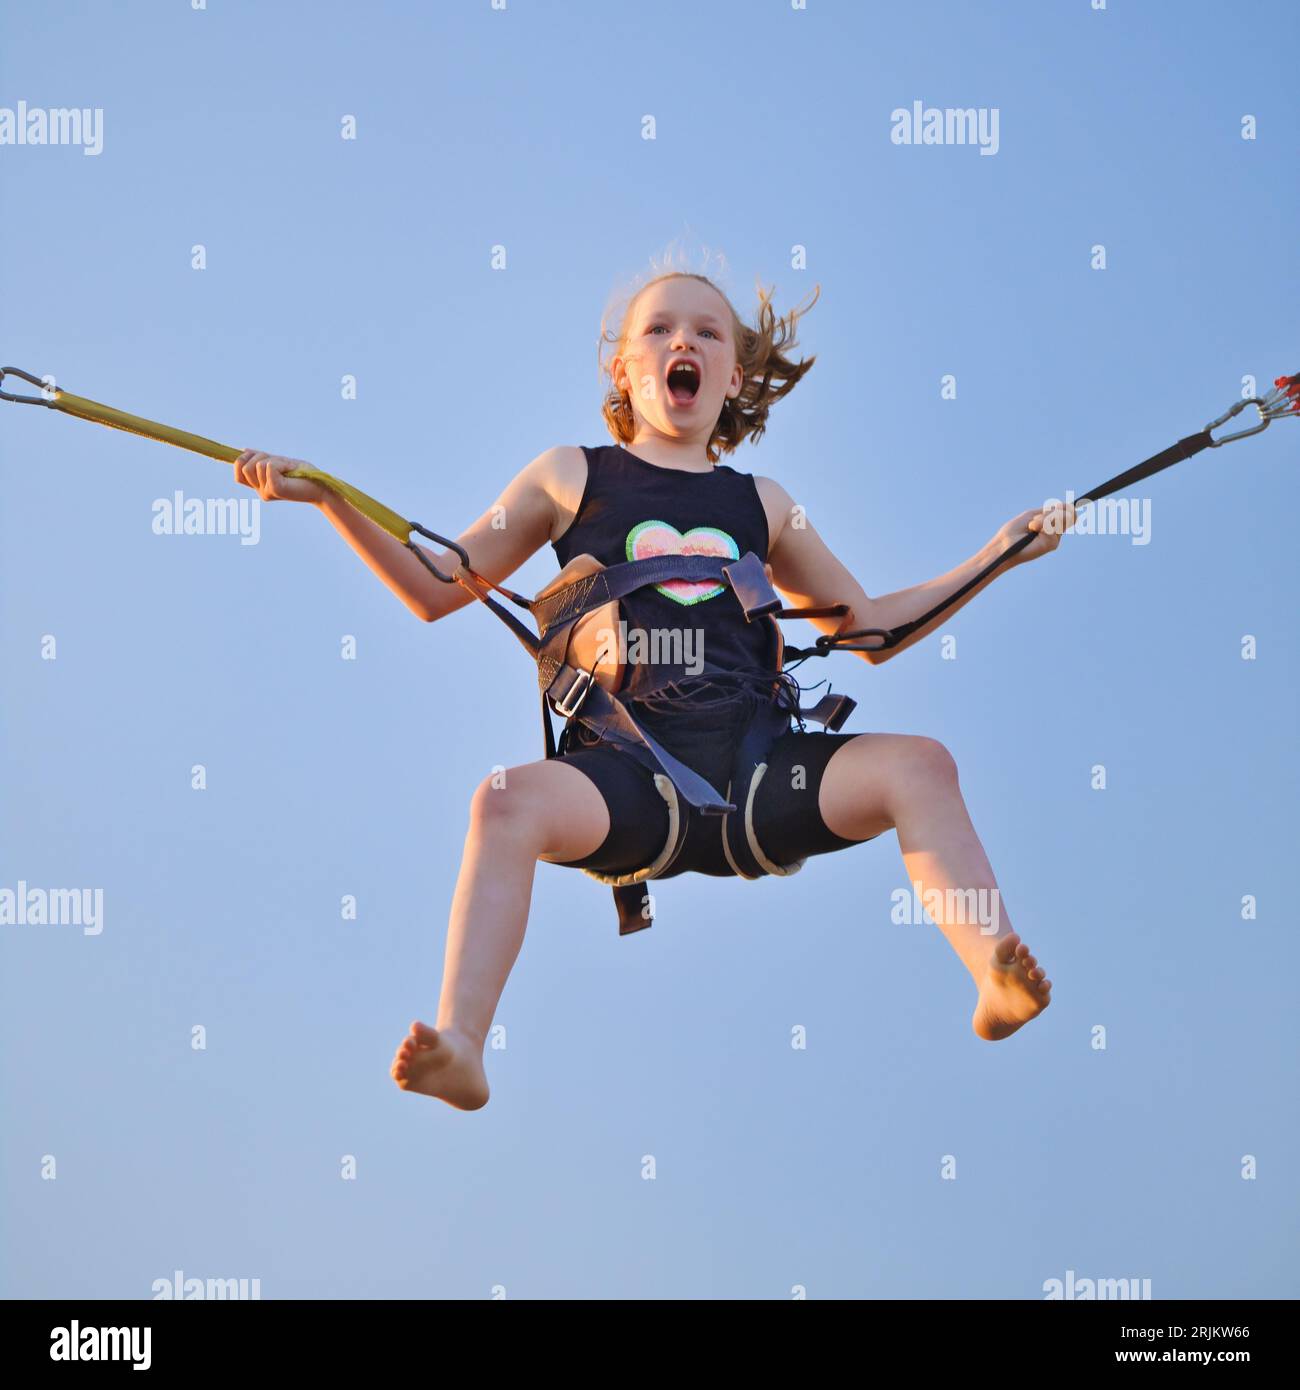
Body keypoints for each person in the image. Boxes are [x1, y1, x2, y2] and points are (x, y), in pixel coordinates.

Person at [233, 270, 1064, 1112]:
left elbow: (872, 629)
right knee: (504, 803)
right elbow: (438, 584)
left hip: (759, 773)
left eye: (708, 334)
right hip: (628, 776)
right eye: (659, 330)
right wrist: (330, 498)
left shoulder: (765, 503)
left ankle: (993, 972)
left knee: (921, 766)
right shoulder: (567, 476)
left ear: (733, 377)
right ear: (623, 371)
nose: (684, 343)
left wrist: (998, 553)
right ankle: (462, 1045)